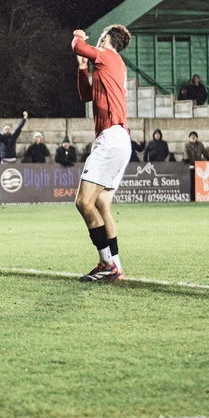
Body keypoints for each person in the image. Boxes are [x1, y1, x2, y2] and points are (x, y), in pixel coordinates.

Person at [71, 25, 132, 283]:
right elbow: (86, 95)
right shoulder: (110, 65)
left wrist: (79, 36)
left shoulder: (108, 56)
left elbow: (78, 45)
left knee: (83, 202)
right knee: (102, 204)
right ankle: (116, 265)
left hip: (110, 138)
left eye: (101, 36)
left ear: (107, 38)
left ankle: (107, 264)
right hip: (120, 138)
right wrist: (82, 69)